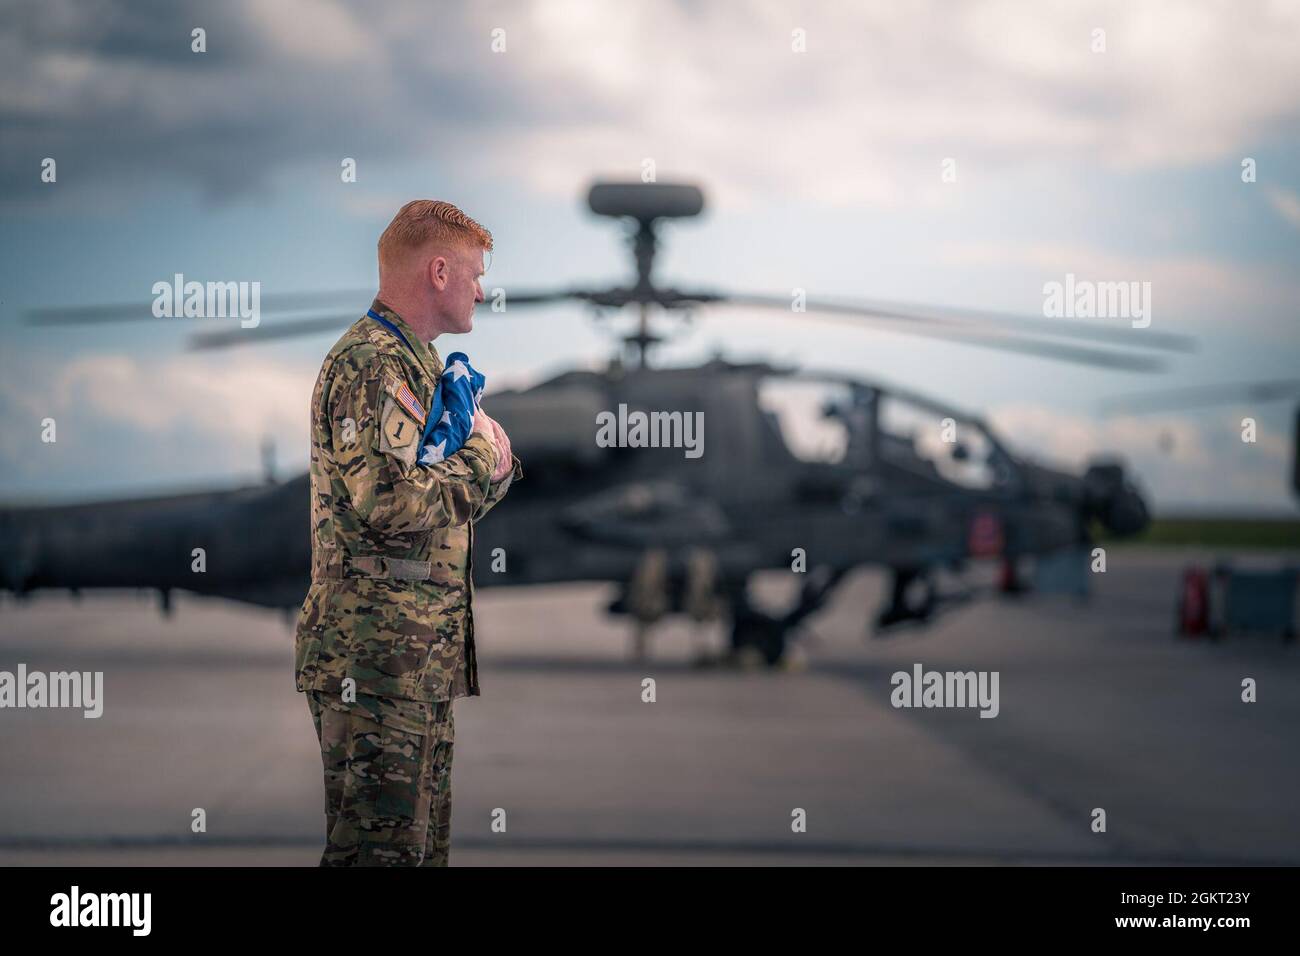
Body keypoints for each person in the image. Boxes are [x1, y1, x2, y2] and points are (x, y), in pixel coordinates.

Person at [294, 199, 522, 866]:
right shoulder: (373, 365)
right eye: (476, 274)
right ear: (440, 271)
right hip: (374, 657)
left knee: (417, 854)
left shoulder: (422, 366)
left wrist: (494, 464)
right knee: (377, 856)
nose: (483, 289)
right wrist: (484, 459)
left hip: (416, 659)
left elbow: (449, 489)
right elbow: (388, 500)